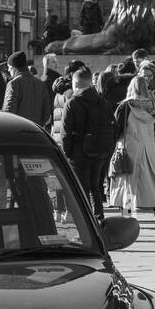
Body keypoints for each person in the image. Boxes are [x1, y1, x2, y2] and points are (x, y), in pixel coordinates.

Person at [108, 75, 155, 233]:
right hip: (148, 147)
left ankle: (126, 217)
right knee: (149, 180)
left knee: (127, 182)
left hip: (130, 146)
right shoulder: (153, 107)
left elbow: (116, 128)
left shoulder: (126, 106)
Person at [61, 67, 116, 221]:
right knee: (95, 185)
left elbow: (66, 132)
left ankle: (83, 220)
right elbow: (114, 126)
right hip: (101, 151)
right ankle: (99, 217)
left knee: (80, 187)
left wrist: (66, 153)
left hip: (79, 151)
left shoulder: (72, 103)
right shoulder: (103, 102)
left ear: (75, 83)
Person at [2, 52, 52, 129]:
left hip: (18, 132)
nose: (8, 70)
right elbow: (46, 113)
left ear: (14, 68)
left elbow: (8, 112)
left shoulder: (13, 84)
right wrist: (37, 126)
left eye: (9, 67)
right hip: (36, 132)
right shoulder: (41, 84)